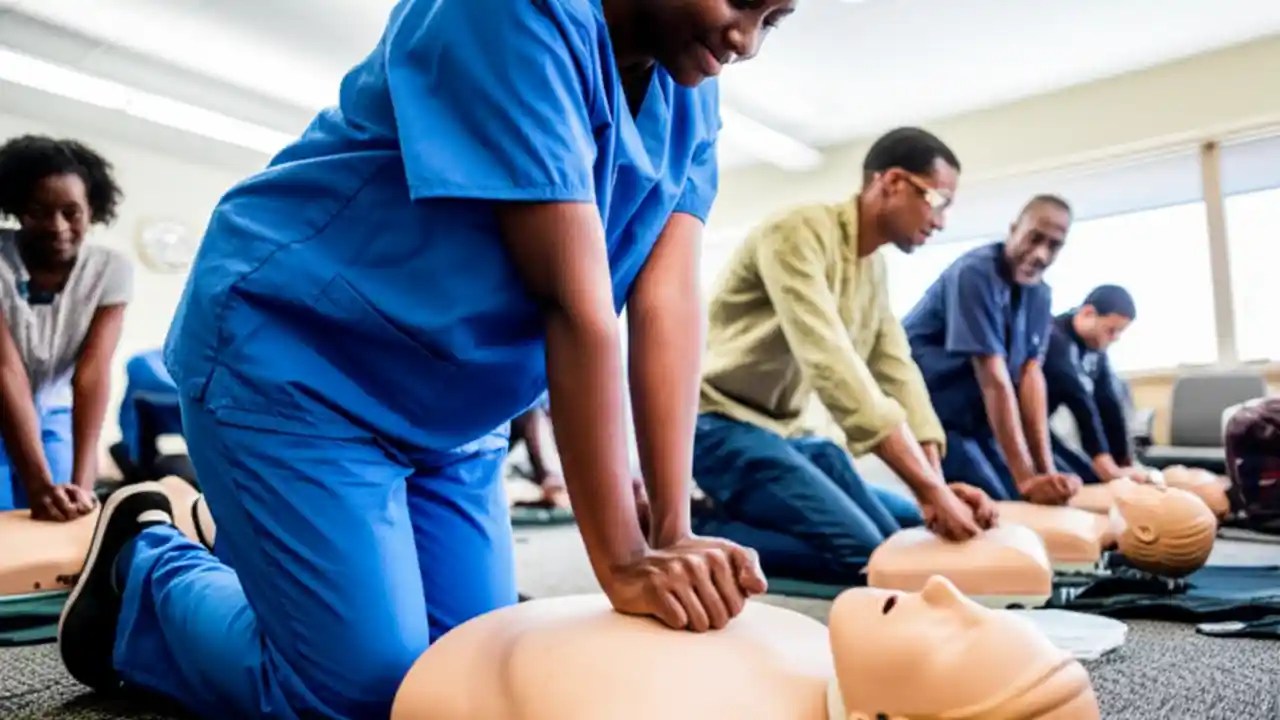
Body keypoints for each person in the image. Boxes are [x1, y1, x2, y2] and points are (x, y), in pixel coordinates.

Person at [57, 1, 793, 717]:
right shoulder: (512, 11)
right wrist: (624, 560)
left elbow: (666, 305)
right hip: (300, 364)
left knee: (462, 676)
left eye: (774, 19)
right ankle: (145, 568)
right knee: (363, 696)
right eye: (741, 2)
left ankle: (273, 552)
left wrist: (673, 529)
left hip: (454, 409)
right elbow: (577, 304)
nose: (748, 41)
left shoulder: (691, 95)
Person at [693, 127, 997, 585]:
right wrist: (928, 488)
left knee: (907, 530)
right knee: (867, 556)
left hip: (790, 435)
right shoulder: (795, 232)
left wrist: (935, 484)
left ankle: (750, 507)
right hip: (719, 425)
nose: (941, 222)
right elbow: (831, 361)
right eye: (938, 201)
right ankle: (696, 525)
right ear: (891, 182)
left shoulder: (872, 268)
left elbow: (896, 369)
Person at [903, 195, 1082, 506]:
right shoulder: (975, 273)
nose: (1041, 253)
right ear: (1013, 230)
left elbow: (1030, 376)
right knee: (997, 506)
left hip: (977, 416)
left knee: (1035, 497)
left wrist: (1046, 472)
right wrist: (1026, 479)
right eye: (1034, 238)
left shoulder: (1040, 293)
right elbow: (994, 379)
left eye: (1054, 246)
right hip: (932, 412)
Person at [0, 135, 132, 518]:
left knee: (69, 508)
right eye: (38, 211)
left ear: (92, 210)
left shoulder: (111, 271)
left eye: (71, 212)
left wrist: (83, 486)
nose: (57, 226)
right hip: (4, 391)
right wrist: (38, 484)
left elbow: (92, 373)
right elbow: (6, 370)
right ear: (18, 209)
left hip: (53, 407)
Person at [1042, 285, 1148, 485]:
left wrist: (1124, 462)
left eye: (1119, 332)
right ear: (1088, 314)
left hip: (1041, 427)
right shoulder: (1055, 337)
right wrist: (1105, 465)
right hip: (1018, 428)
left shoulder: (1096, 350)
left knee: (1091, 476)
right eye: (1111, 330)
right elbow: (1080, 400)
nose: (1115, 338)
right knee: (1078, 480)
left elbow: (1109, 403)